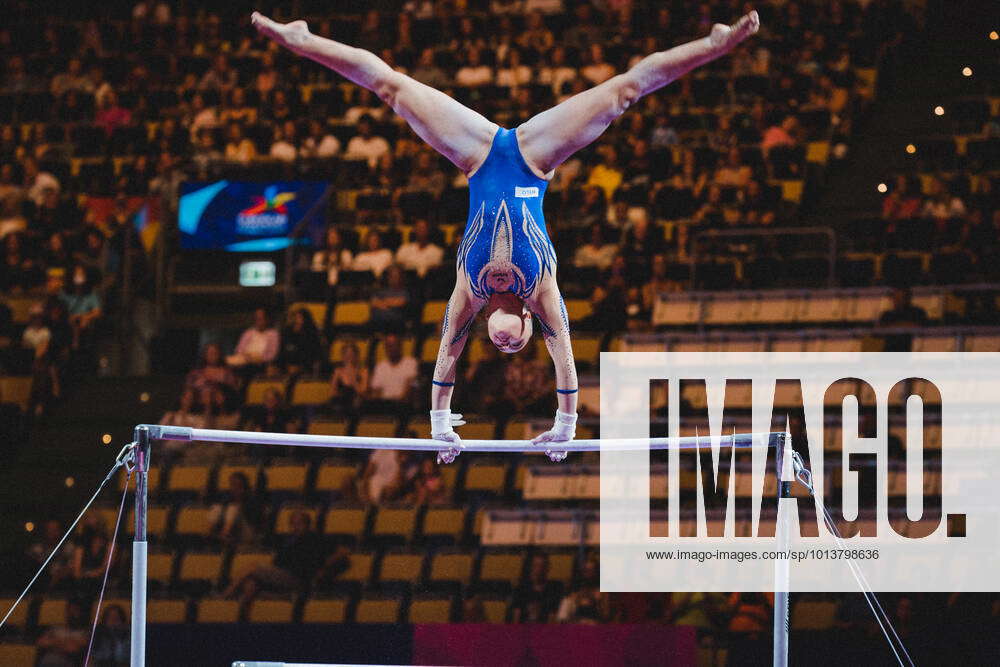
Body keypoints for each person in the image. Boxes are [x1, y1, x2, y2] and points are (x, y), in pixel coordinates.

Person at [253, 8, 760, 464]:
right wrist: (565, 425)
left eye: (499, 347)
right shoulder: (542, 293)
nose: (505, 346)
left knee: (394, 89)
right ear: (526, 327)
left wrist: (439, 422)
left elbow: (447, 354)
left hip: (477, 158)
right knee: (619, 94)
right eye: (514, 347)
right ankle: (714, 45)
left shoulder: (469, 293)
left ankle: (304, 41)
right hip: (534, 160)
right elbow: (565, 364)